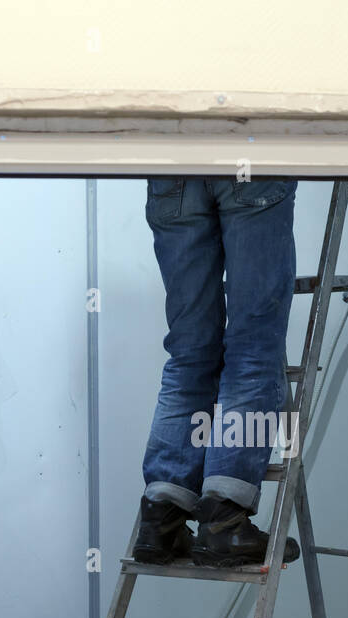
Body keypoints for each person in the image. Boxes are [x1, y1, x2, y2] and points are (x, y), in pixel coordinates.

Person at [134, 176, 303, 568]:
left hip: (173, 168)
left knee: (189, 352)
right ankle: (224, 520)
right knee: (253, 346)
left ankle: (161, 518)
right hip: (247, 156)